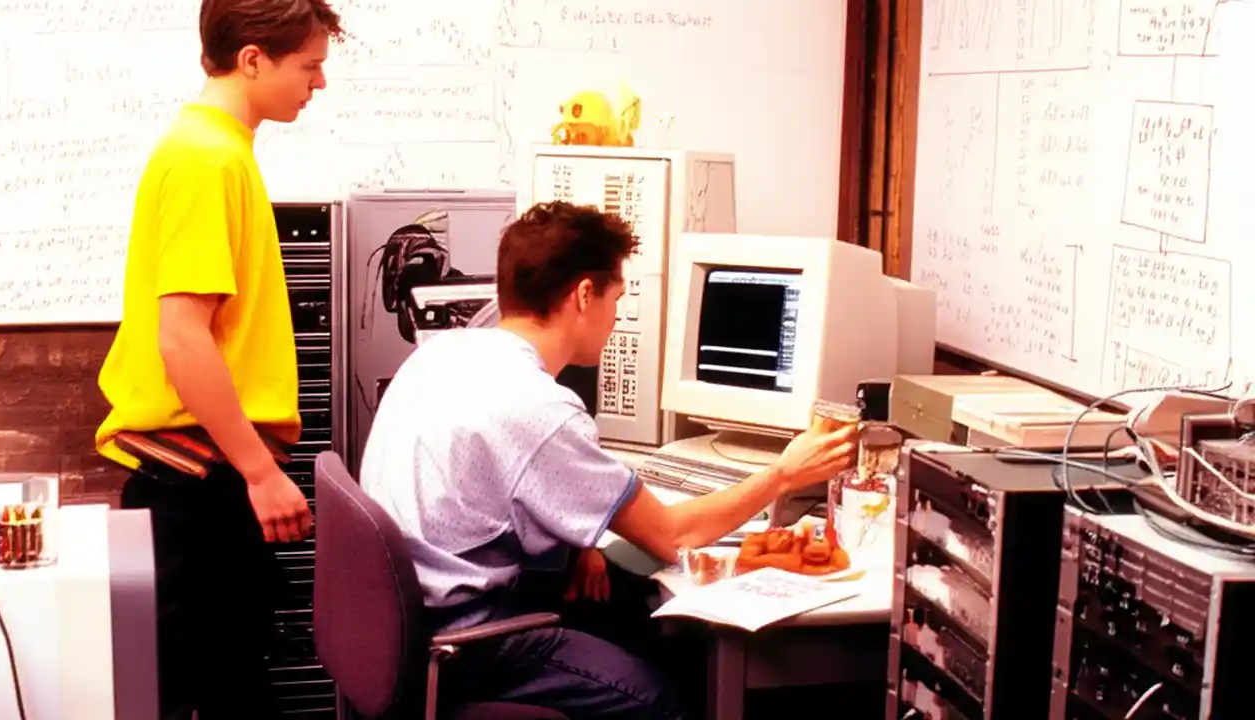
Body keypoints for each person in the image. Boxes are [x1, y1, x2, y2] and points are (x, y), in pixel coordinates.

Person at [359, 201, 858, 719]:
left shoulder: (444, 353)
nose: (616, 318)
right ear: (583, 295)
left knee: (624, 605)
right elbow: (672, 537)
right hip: (467, 644)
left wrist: (582, 541)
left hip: (403, 622)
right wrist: (783, 475)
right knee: (669, 702)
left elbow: (489, 485)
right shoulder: (539, 408)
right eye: (616, 298)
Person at [93, 1, 343, 717]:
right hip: (198, 481)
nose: (320, 83)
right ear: (253, 59)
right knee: (218, 692)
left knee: (230, 684)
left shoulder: (219, 148)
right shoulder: (207, 159)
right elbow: (182, 337)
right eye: (310, 66)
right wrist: (261, 473)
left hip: (206, 476)